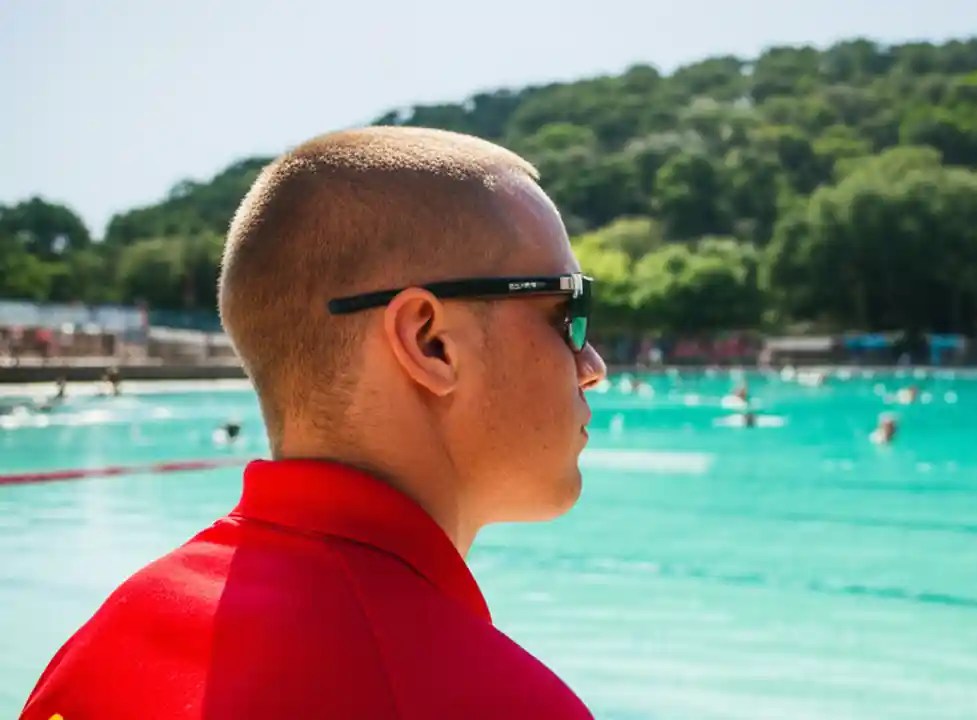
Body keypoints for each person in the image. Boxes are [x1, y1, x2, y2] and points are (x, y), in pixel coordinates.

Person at [21, 127, 606, 720]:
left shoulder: (101, 650)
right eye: (568, 311)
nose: (593, 366)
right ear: (431, 343)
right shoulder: (492, 700)